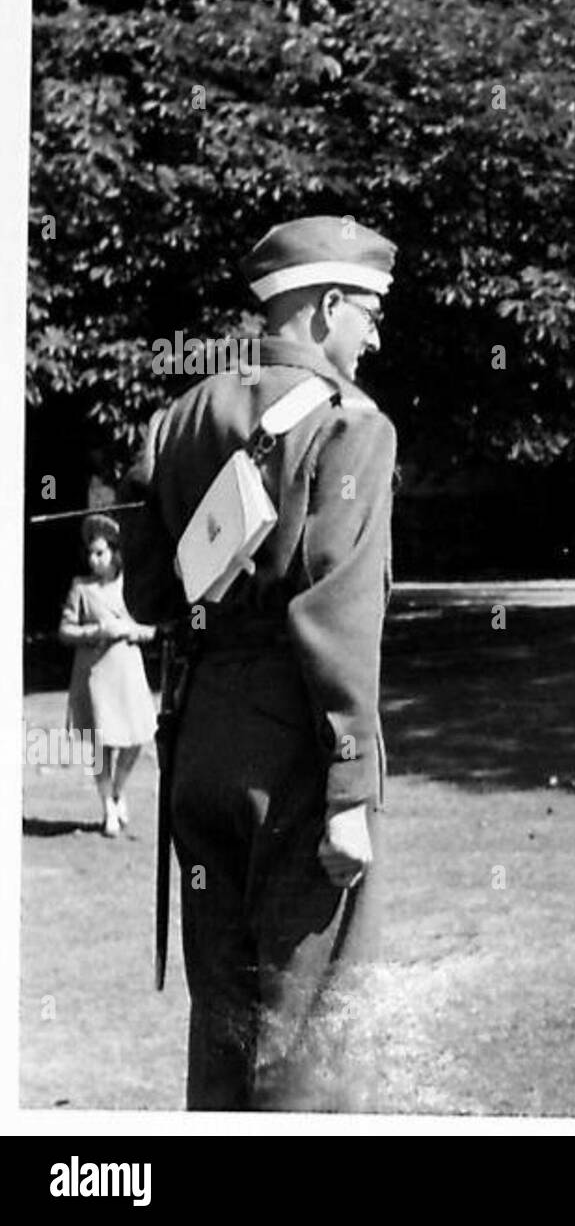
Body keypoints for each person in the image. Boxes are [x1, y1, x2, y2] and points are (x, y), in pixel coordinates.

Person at [123, 215, 399, 1109]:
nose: (376, 333)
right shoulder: (352, 425)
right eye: (367, 312)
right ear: (324, 311)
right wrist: (352, 789)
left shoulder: (178, 418)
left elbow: (149, 599)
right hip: (297, 759)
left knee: (225, 1026)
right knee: (304, 1042)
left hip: (199, 749)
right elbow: (338, 617)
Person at [59, 513, 157, 834]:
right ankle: (107, 809)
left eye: (100, 552)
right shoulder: (81, 588)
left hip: (127, 674)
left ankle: (118, 789)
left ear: (114, 553)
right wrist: (96, 631)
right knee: (101, 744)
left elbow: (152, 627)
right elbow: (65, 630)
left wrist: (128, 629)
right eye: (90, 552)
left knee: (134, 740)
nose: (93, 559)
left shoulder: (131, 587)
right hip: (95, 677)